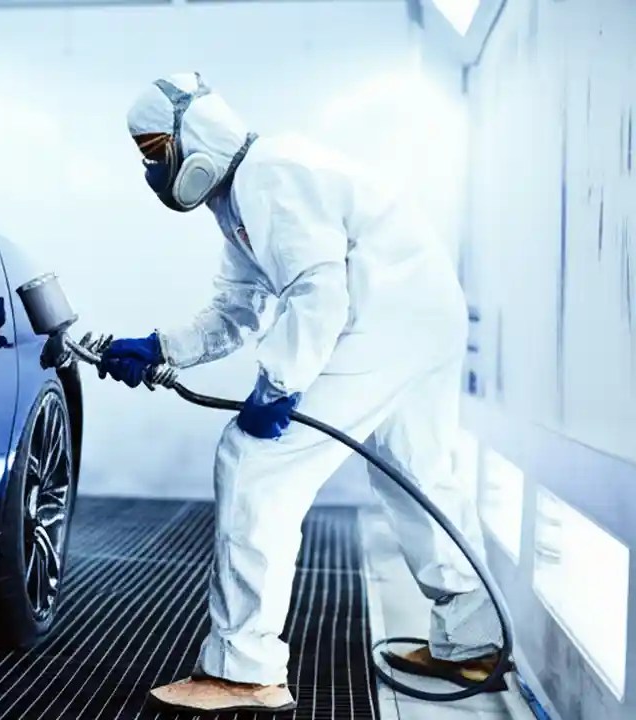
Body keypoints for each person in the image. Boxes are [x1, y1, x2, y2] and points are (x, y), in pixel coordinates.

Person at [101, 72, 503, 713]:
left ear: (192, 136)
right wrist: (162, 347)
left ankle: (244, 669)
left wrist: (279, 385)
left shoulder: (273, 173)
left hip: (387, 318)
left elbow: (319, 290)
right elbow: (237, 307)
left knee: (255, 462)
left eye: (155, 152)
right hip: (423, 314)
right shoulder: (239, 195)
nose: (154, 169)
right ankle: (472, 641)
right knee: (414, 473)